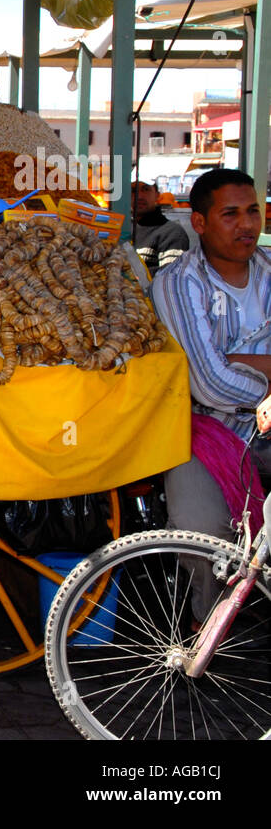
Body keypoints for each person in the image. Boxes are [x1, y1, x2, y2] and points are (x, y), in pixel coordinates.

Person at [151, 168, 269, 620]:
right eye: (230, 214)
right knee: (205, 532)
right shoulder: (180, 283)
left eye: (252, 211)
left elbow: (223, 370)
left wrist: (239, 359)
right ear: (198, 223)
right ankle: (212, 627)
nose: (247, 224)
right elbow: (210, 384)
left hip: (266, 428)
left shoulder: (268, 273)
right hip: (205, 431)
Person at [132, 179, 189, 275]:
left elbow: (170, 276)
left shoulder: (172, 233)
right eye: (133, 190)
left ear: (157, 195)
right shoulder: (124, 228)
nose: (139, 196)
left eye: (146, 189)